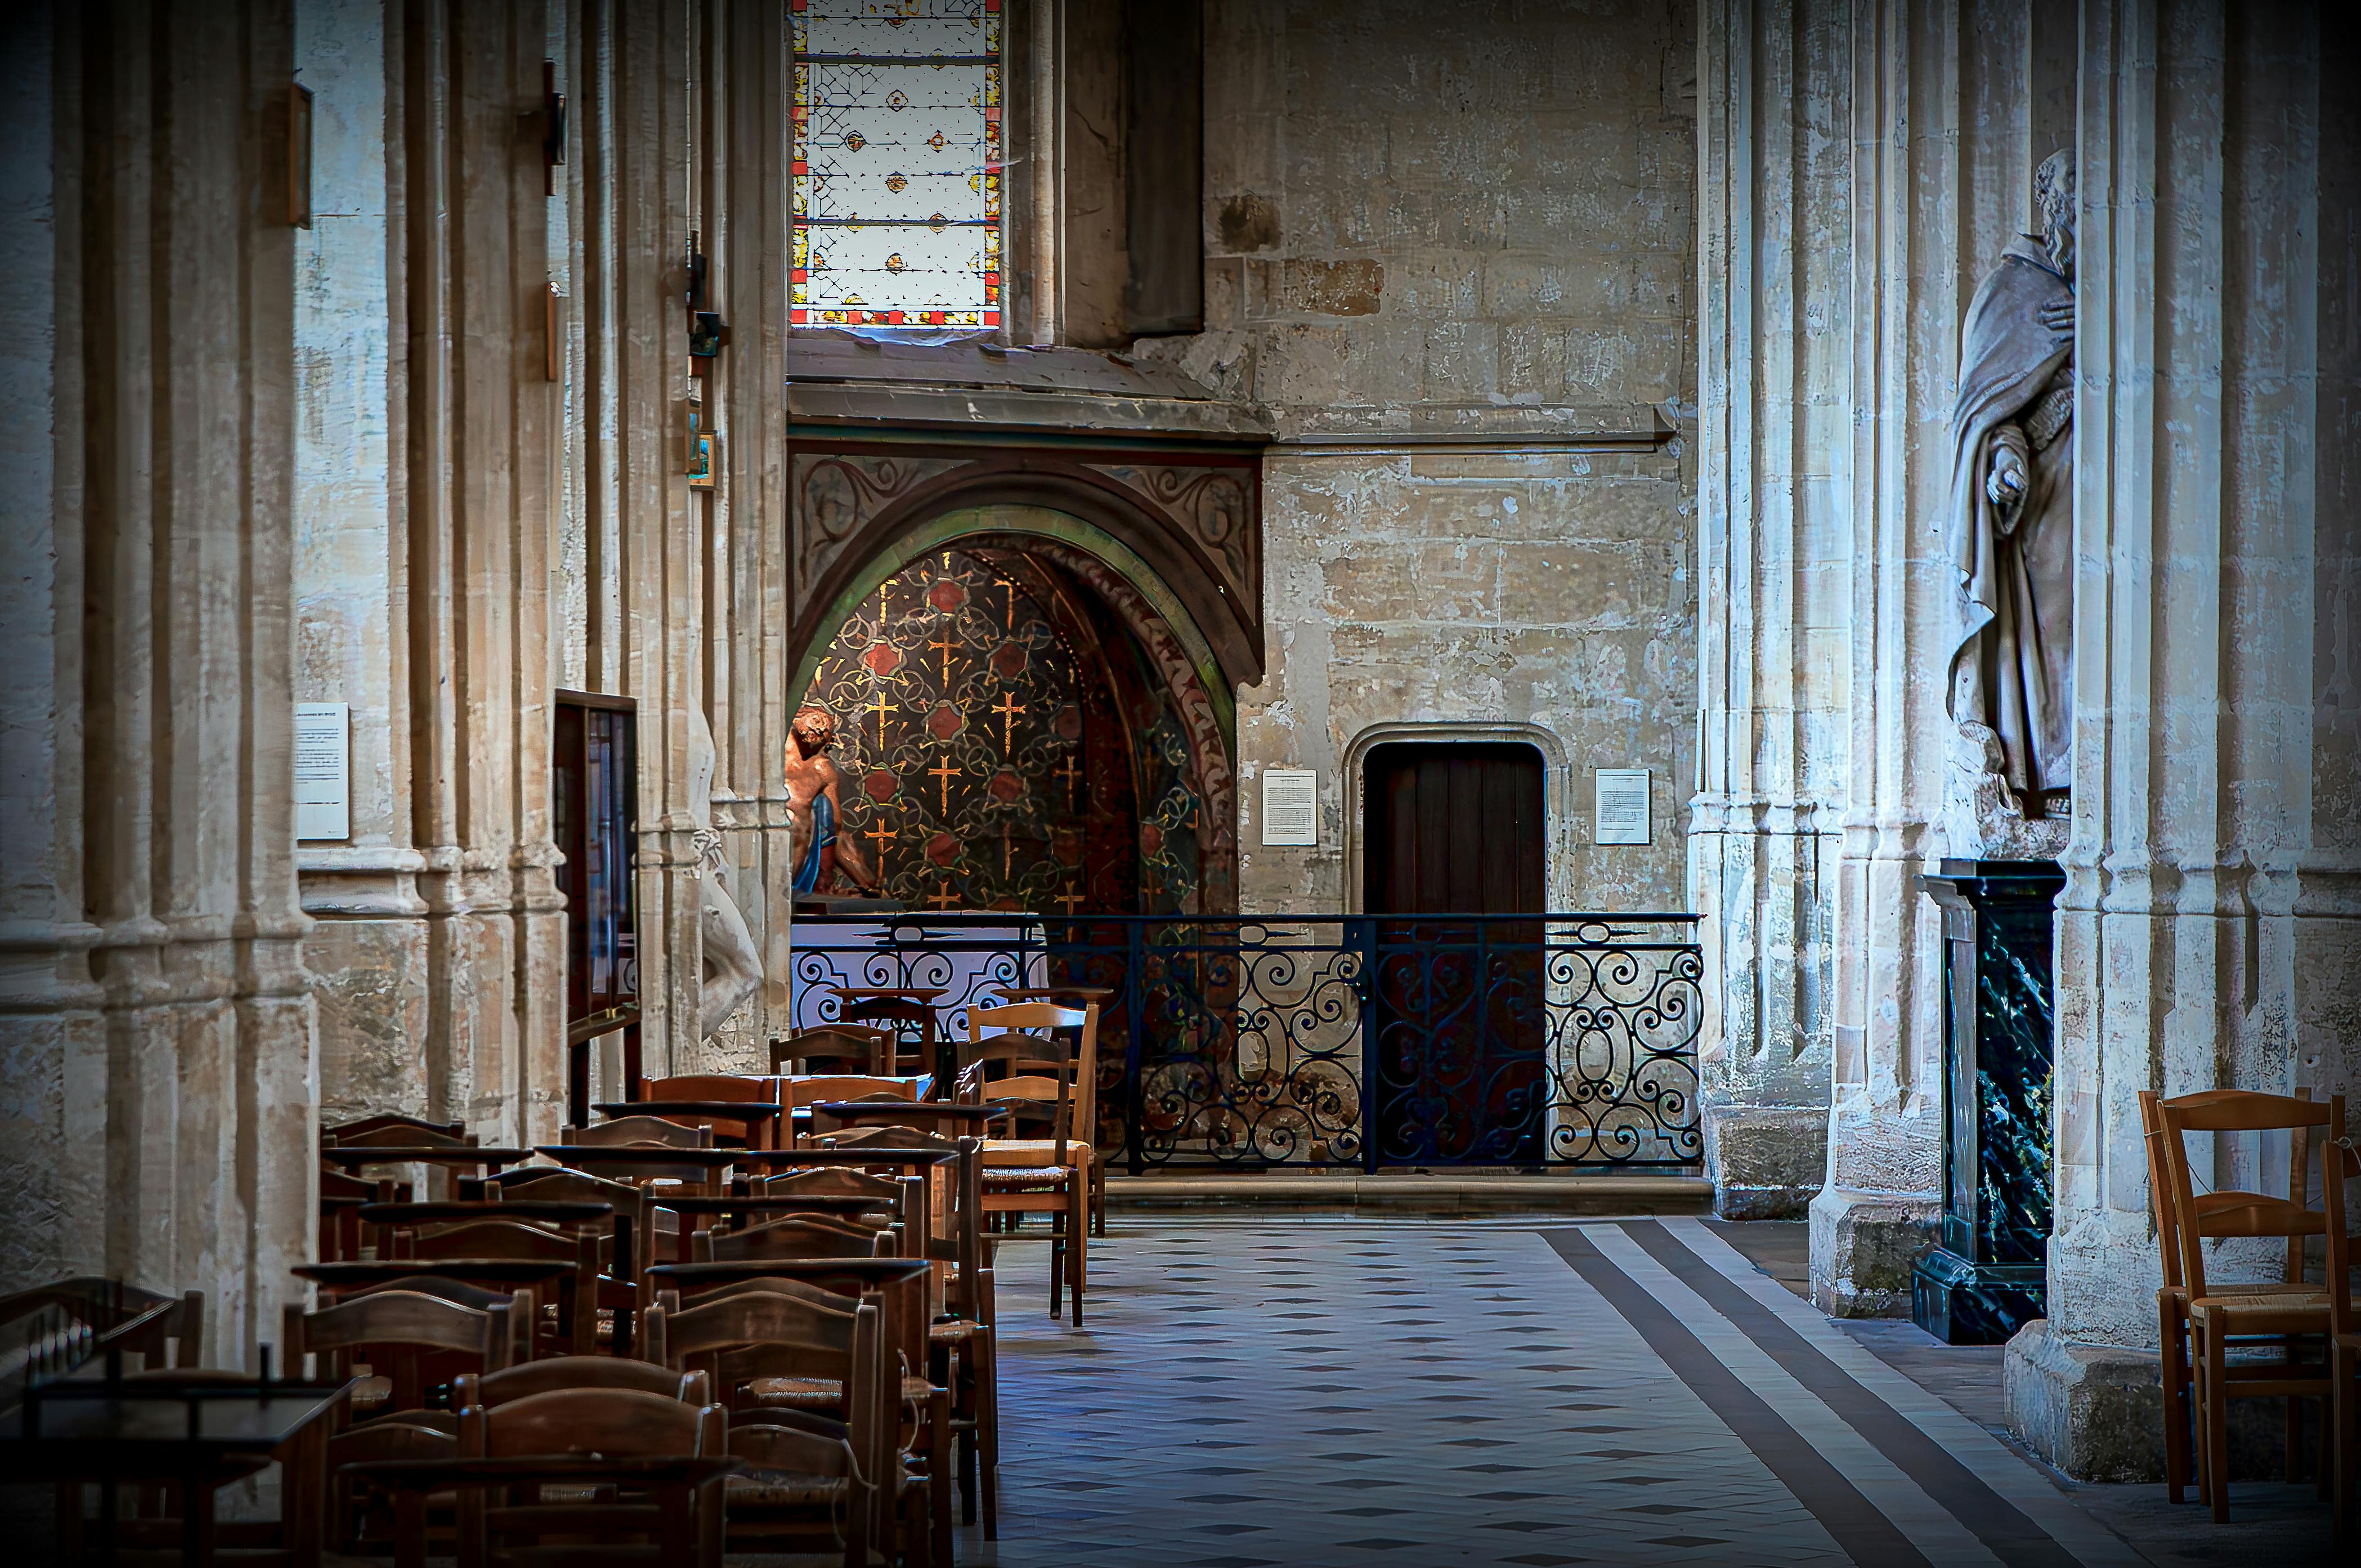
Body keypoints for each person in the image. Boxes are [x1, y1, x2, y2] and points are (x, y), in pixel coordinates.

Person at [1944, 148, 2077, 814]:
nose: (2080, 215)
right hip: (2045, 517)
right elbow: (1990, 414)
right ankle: (2050, 785)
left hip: (2110, 514)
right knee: (2047, 662)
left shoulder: (2123, 296)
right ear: (2050, 206)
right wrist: (2004, 462)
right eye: (2071, 198)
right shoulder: (2017, 292)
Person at [785, 704, 879, 896]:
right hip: (753, 847)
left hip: (791, 862)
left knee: (807, 818)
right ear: (796, 720)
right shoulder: (764, 755)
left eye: (827, 729)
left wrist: (865, 881)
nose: (821, 729)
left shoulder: (822, 771)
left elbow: (835, 832)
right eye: (816, 720)